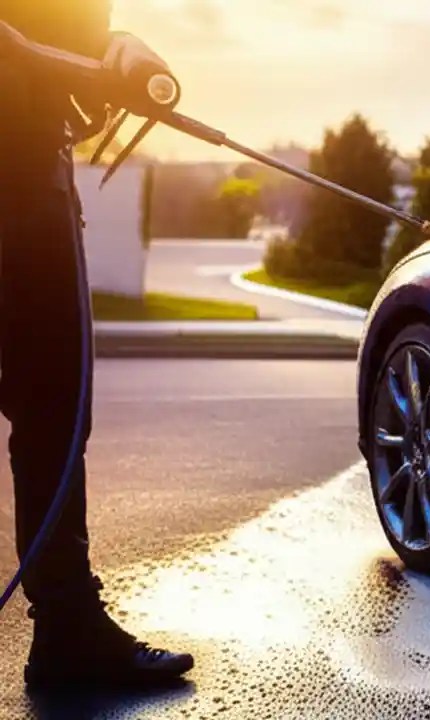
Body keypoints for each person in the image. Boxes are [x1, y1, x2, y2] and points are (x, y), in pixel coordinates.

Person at [0, 1, 194, 687]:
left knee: (55, 407)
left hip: (33, 188)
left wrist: (123, 58)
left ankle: (67, 628)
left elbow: (73, 44)